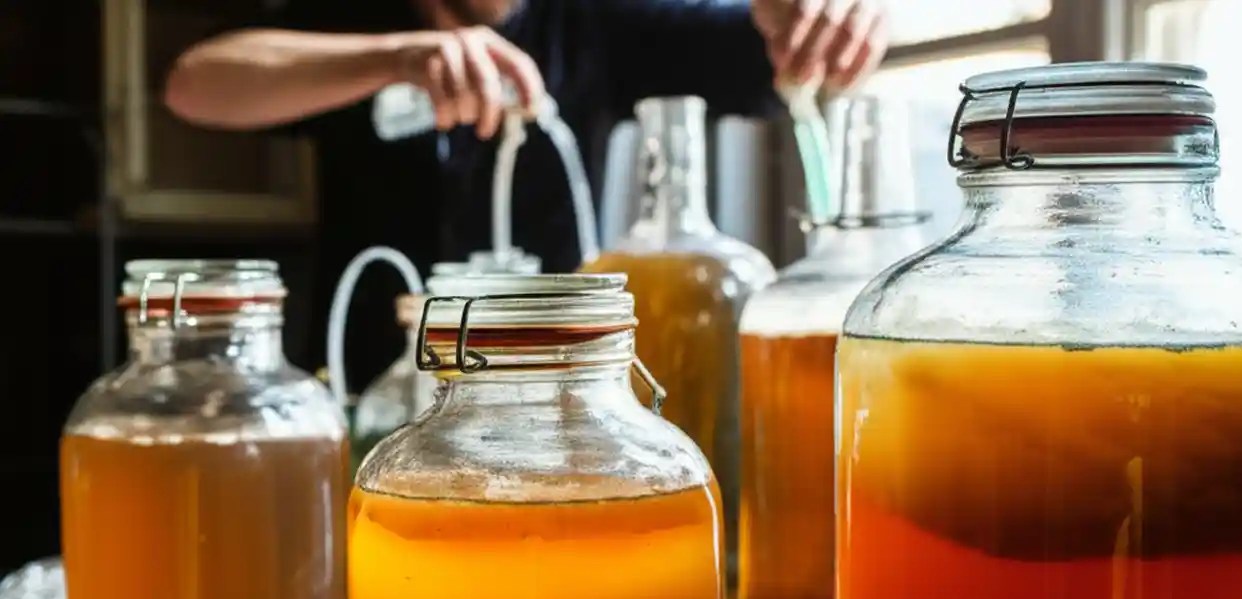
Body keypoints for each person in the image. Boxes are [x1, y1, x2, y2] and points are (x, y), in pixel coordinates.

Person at [165, 0, 887, 390]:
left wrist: (823, 17)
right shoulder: (357, 20)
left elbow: (776, 59)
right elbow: (195, 81)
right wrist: (395, 59)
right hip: (375, 387)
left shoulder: (597, 23)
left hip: (552, 387)